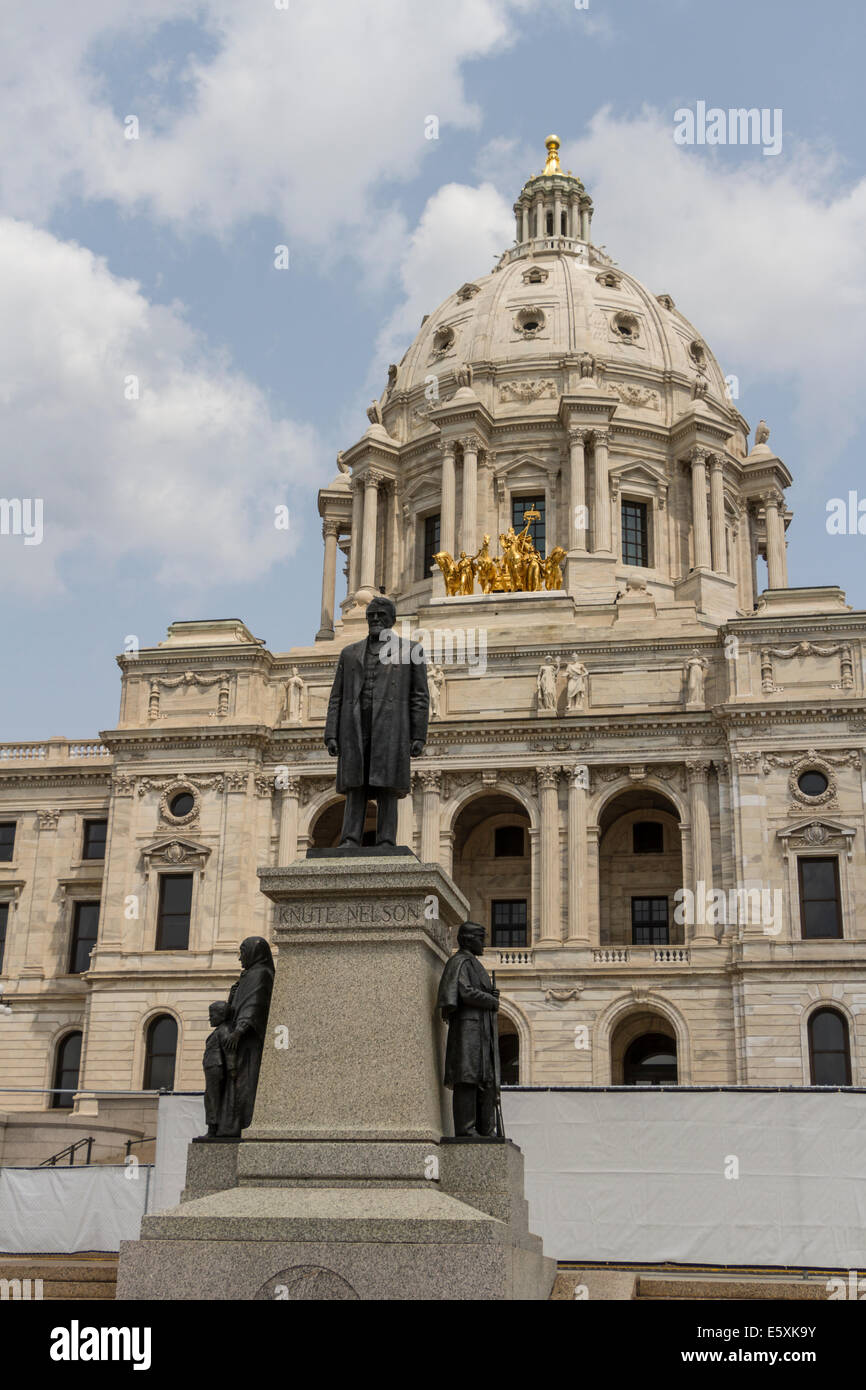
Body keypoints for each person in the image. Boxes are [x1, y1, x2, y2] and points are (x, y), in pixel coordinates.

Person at [324, 595, 428, 846]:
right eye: (371, 616)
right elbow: (336, 696)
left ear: (392, 620)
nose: (375, 620)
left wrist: (417, 735)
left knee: (387, 787)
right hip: (355, 727)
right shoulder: (349, 653)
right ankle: (349, 837)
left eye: (380, 616)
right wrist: (331, 733)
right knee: (355, 785)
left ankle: (386, 840)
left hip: (391, 728)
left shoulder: (411, 651)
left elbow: (419, 696)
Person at [436, 921, 501, 1138]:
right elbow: (463, 991)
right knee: (467, 1078)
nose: (484, 943)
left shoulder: (474, 963)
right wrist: (489, 1000)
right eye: (480, 938)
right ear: (467, 939)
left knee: (486, 1080)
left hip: (481, 1030)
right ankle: (466, 1129)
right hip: (467, 1030)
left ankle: (486, 1128)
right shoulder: (460, 961)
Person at [202, 1000, 235, 1138]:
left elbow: (229, 1051)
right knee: (210, 1098)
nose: (210, 1018)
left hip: (216, 1068)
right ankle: (213, 1127)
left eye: (212, 1014)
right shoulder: (220, 1030)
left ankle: (213, 1128)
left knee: (213, 1098)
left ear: (221, 1015)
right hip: (212, 1068)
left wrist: (232, 1068)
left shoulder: (224, 1030)